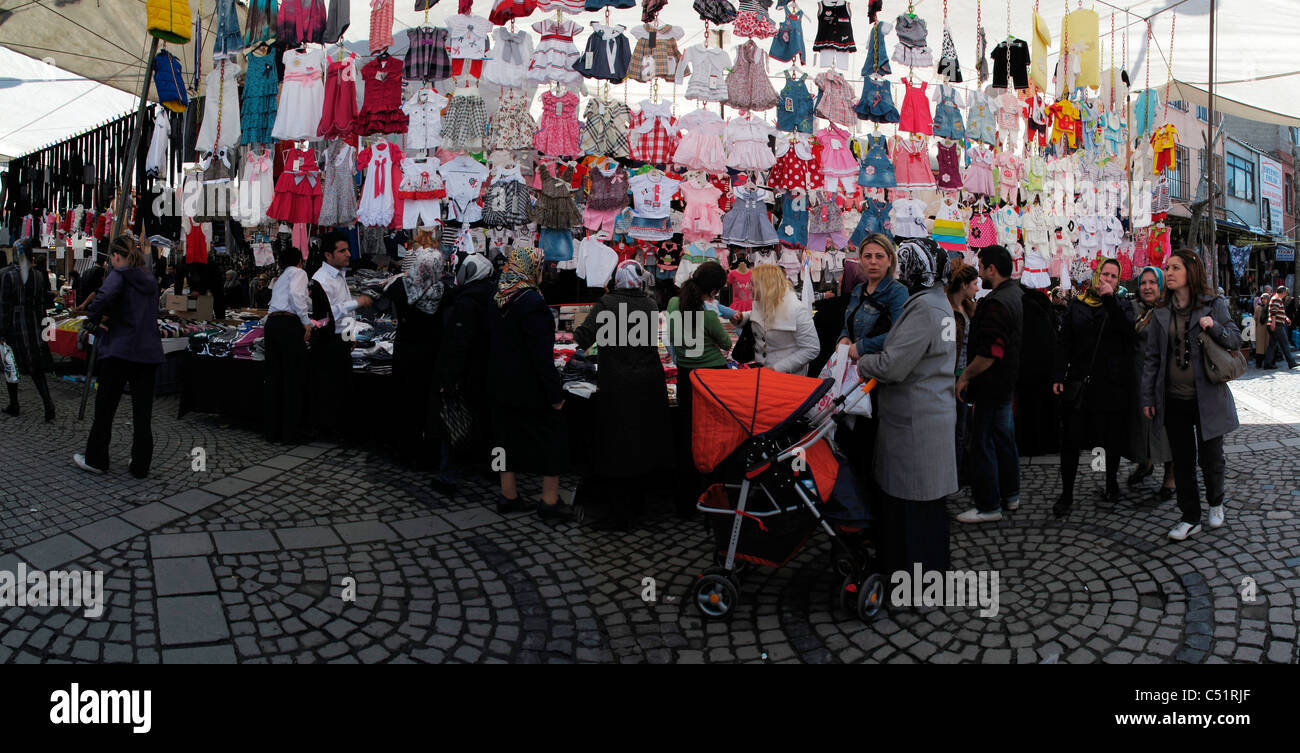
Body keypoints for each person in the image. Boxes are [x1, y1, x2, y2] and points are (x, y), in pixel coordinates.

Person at [857, 238, 957, 575]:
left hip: (915, 422)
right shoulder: (938, 302)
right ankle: (927, 578)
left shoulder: (922, 307)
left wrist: (862, 362)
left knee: (913, 510)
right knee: (926, 511)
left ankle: (912, 583)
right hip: (930, 416)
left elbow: (892, 366)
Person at [1142, 250, 1241, 541]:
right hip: (1174, 399)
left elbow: (1235, 338)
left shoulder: (1213, 304)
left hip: (1207, 398)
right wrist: (1148, 398)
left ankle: (1216, 501)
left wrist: (1216, 328)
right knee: (1182, 460)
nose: (1168, 273)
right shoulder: (1160, 312)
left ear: (1190, 272)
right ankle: (1189, 516)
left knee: (1211, 457)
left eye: (1175, 268)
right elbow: (1152, 359)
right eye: (1167, 268)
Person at [573, 260, 673, 528]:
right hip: (649, 382)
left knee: (617, 445)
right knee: (642, 440)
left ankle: (619, 514)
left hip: (618, 383)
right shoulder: (650, 304)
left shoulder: (608, 303)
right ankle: (638, 505)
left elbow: (584, 336)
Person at [489, 247, 572, 520]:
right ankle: (549, 500)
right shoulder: (532, 301)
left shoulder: (498, 296)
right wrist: (555, 394)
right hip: (529, 385)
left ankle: (507, 493)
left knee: (503, 440)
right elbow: (541, 355)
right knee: (552, 440)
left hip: (500, 381)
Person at [1050, 258, 1135, 516]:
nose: (1107, 279)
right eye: (1104, 274)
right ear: (1096, 276)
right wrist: (1057, 375)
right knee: (1072, 441)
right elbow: (1065, 342)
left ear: (1118, 281)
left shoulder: (1122, 305)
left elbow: (1127, 334)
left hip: (1110, 385)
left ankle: (1111, 485)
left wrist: (1110, 301)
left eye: (1113, 276)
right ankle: (1067, 493)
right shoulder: (1077, 304)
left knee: (1109, 439)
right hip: (1080, 383)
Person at [73, 235, 164, 477]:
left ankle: (96, 459)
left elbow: (101, 299)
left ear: (115, 256)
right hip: (148, 352)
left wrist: (94, 320)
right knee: (142, 413)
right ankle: (140, 466)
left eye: (111, 258)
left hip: (120, 350)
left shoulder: (120, 274)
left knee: (105, 409)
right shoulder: (149, 279)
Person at [955, 245, 1023, 524]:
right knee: (1004, 439)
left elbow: (990, 353)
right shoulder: (1013, 294)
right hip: (1004, 384)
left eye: (981, 265)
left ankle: (988, 506)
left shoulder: (998, 302)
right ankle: (1011, 495)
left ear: (991, 269)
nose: (978, 269)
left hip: (991, 385)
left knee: (983, 443)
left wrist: (966, 376)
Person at [835, 234, 908, 494]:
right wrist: (844, 338)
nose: (873, 262)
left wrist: (862, 347)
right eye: (868, 256)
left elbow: (900, 335)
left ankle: (872, 500)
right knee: (851, 439)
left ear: (890, 260)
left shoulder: (897, 293)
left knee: (871, 441)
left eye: (879, 256)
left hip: (879, 378)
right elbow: (849, 323)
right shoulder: (858, 290)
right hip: (854, 376)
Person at [666, 261, 732, 515]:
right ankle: (714, 494)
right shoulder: (708, 316)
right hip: (713, 377)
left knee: (687, 435)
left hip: (685, 376)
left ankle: (685, 498)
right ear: (715, 290)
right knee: (714, 436)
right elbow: (726, 343)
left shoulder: (673, 305)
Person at [432, 254, 495, 497]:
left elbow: (458, 343)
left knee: (452, 423)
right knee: (482, 420)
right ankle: (490, 467)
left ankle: (447, 477)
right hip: (485, 369)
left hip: (465, 372)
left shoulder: (466, 301)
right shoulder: (493, 296)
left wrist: (448, 378)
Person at [381, 249, 446, 467]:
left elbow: (383, 294)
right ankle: (424, 451)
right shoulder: (442, 291)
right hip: (429, 355)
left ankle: (402, 448)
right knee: (425, 404)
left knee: (403, 400)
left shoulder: (400, 287)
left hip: (404, 352)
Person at [309, 231, 374, 442]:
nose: (348, 254)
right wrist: (358, 302)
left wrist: (350, 335)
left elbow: (345, 312)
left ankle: (339, 427)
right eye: (342, 250)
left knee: (342, 384)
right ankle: (326, 428)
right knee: (328, 385)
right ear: (328, 255)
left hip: (341, 339)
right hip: (327, 341)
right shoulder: (320, 280)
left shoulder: (340, 275)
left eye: (348, 249)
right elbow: (328, 313)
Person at [1126, 266, 1176, 501]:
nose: (1146, 287)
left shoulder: (1170, 310)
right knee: (1140, 426)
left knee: (1165, 429)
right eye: (1143, 283)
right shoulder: (1134, 309)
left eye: (1152, 283)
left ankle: (1171, 476)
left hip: (1164, 380)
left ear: (1161, 285)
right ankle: (1144, 464)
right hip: (1137, 377)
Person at [0, 240, 57, 421]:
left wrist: (1, 331)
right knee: (37, 369)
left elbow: (4, 307)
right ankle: (48, 404)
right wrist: (43, 328)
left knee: (11, 365)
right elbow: (42, 305)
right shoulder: (39, 276)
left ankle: (14, 404)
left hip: (16, 326)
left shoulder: (9, 277)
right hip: (32, 324)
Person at [263, 246, 312, 444]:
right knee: (293, 378)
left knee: (274, 378)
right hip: (288, 325)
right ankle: (290, 434)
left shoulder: (280, 278)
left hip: (273, 325)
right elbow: (297, 296)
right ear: (299, 261)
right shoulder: (299, 273)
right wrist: (305, 321)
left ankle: (272, 432)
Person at [734, 264, 820, 375]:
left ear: (766, 286)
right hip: (762, 372)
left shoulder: (797, 310)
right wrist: (742, 317)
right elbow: (761, 317)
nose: (748, 287)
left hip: (788, 378)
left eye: (753, 284)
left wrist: (777, 368)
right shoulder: (761, 301)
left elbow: (811, 349)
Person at [946, 263, 979, 482]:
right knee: (957, 430)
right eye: (974, 284)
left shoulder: (968, 309)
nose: (977, 288)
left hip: (965, 376)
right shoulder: (949, 312)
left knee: (963, 428)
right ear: (964, 285)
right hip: (954, 377)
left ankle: (961, 471)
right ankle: (954, 477)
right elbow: (948, 348)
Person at [1263, 285, 1297, 369]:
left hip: (1274, 324)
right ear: (1283, 292)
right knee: (1285, 344)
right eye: (1285, 292)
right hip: (1277, 325)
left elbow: (1277, 311)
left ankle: (1268, 363)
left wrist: (1285, 318)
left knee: (1272, 345)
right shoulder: (1277, 299)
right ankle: (1291, 362)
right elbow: (1273, 312)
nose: (1286, 294)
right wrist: (1273, 323)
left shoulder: (1275, 298)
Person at [1252, 286, 1272, 368]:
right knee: (1259, 347)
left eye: (1265, 298)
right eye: (1262, 298)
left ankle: (1267, 363)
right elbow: (1255, 319)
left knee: (1267, 346)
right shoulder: (1258, 307)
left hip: (1267, 329)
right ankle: (1258, 363)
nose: (1263, 300)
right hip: (1260, 329)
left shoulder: (1271, 308)